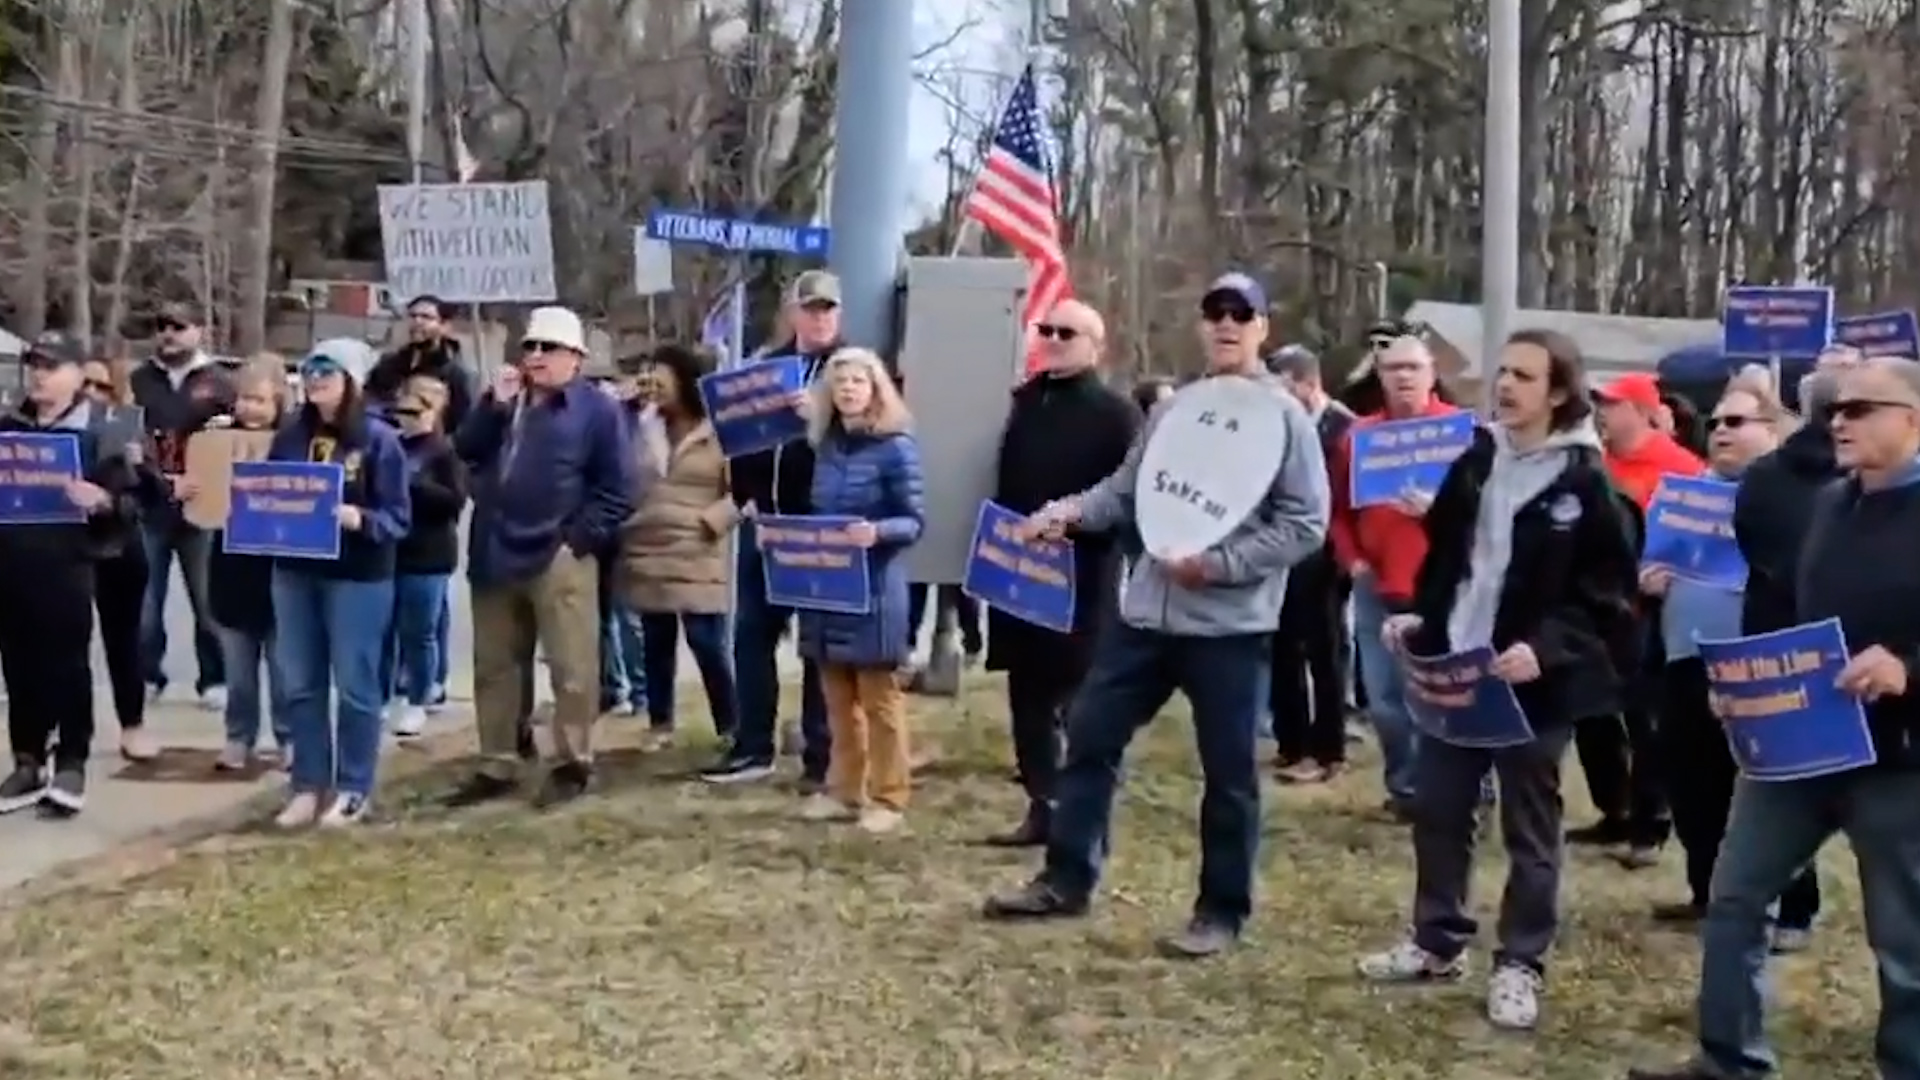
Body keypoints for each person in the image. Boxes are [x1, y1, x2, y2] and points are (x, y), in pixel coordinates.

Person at [980, 271, 1330, 958]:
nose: (1226, 324)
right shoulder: (1175, 410)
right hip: (1143, 617)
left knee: (1229, 776)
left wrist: (1220, 565)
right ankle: (1065, 878)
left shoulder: (1284, 418)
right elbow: (1125, 490)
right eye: (1214, 312)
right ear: (1201, 325)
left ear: (1263, 328)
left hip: (1228, 629)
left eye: (1242, 314)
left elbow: (1305, 523)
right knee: (1088, 740)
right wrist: (1069, 514)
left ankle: (1221, 912)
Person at [1628, 356, 1920, 1080]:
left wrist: (1908, 668)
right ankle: (1729, 1058)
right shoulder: (1829, 502)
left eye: (1860, 410)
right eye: (1835, 410)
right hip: (1803, 741)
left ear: (1913, 421)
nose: (1838, 422)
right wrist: (1748, 681)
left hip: (1900, 756)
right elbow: (1783, 605)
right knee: (1735, 896)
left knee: (1904, 935)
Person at [1356, 328, 1638, 1031]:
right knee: (1440, 811)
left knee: (1530, 828)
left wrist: (1546, 648)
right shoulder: (1477, 457)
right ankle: (1436, 940)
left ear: (1560, 393)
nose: (1506, 386)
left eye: (1525, 377)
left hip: (1533, 688)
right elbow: (1452, 553)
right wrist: (1423, 617)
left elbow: (1607, 597)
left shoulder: (1585, 482)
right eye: (1503, 372)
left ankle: (1520, 963)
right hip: (1460, 673)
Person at [1642, 369, 1819, 945]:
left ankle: (1792, 909)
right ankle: (1708, 894)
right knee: (1691, 782)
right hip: (1686, 655)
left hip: (1758, 660)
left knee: (1771, 787)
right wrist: (1650, 576)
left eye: (1736, 421)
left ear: (1774, 430)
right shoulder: (1685, 494)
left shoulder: (1790, 500)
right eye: (1715, 422)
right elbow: (1650, 561)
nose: (1720, 431)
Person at [444, 306, 633, 809]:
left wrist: (579, 539)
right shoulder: (507, 400)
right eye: (529, 347)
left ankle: (574, 760)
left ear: (576, 357)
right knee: (495, 664)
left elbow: (616, 489)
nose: (535, 357)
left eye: (547, 348)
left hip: (558, 551)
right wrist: (493, 407)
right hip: (493, 546)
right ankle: (499, 759)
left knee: (571, 665)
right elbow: (464, 449)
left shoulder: (597, 411)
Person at [982, 299, 1138, 845]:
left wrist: (1075, 527)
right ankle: (1041, 804)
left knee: (1076, 703)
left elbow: (1126, 500)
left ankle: (1083, 814)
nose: (1051, 338)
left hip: (1080, 574)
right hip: (1016, 573)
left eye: (1065, 332)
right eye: (1045, 330)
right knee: (1025, 697)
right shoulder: (1024, 404)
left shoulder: (1117, 415)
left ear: (1096, 346)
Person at [704, 269, 846, 786]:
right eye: (811, 308)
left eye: (828, 309)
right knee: (751, 635)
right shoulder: (767, 367)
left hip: (819, 528)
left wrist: (819, 421)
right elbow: (743, 440)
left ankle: (820, 752)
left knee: (818, 644)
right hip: (767, 524)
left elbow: (873, 442)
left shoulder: (855, 369)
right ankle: (753, 745)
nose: (820, 317)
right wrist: (749, 502)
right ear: (793, 314)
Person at [268, 339, 411, 828]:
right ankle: (308, 784)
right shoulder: (289, 436)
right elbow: (270, 493)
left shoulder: (378, 439)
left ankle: (354, 787)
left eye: (328, 372)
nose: (315, 381)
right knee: (300, 683)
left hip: (358, 576)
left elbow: (398, 517)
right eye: (309, 371)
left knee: (355, 684)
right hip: (296, 571)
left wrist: (359, 519)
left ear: (352, 379)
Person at [0, 332, 140, 817]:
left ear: (80, 374)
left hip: (69, 562)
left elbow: (135, 503)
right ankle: (27, 758)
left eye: (52, 366)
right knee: (19, 667)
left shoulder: (101, 432)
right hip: (12, 560)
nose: (40, 374)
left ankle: (72, 761)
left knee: (66, 664)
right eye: (35, 364)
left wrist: (102, 500)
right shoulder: (9, 425)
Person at [790, 347, 926, 833]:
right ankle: (844, 789)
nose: (848, 388)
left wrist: (878, 531)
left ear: (876, 388)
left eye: (857, 381)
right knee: (836, 701)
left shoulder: (896, 446)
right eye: (839, 381)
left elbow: (914, 521)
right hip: (829, 588)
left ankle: (890, 796)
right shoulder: (826, 446)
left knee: (879, 701)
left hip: (875, 589)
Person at [1328, 334, 1463, 817]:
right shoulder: (1358, 438)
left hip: (1444, 587)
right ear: (1379, 377)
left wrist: (1439, 512)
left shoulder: (1461, 435)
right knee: (1385, 701)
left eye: (1412, 367)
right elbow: (1338, 512)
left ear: (1431, 373)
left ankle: (1457, 792)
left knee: (1443, 697)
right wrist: (1353, 560)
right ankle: (1405, 788)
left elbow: (1484, 512)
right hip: (1375, 586)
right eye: (1392, 368)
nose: (1403, 376)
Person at [1569, 372, 1702, 859]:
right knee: (1592, 712)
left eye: (1612, 403)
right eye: (1599, 403)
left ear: (1642, 410)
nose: (1602, 411)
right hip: (1598, 610)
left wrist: (1672, 573)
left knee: (1645, 718)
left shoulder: (1681, 466)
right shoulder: (1596, 465)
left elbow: (1701, 536)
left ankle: (1651, 821)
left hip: (1651, 614)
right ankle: (1614, 810)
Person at [615, 343, 739, 751]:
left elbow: (745, 491)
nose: (653, 385)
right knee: (655, 640)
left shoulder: (719, 430)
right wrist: (625, 411)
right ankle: (660, 722)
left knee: (706, 639)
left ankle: (731, 723)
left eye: (661, 376)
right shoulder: (639, 425)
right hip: (648, 546)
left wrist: (713, 522)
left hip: (697, 548)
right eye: (648, 376)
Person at [129, 301, 233, 708]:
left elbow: (235, 442)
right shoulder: (138, 379)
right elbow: (127, 437)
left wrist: (203, 480)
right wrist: (163, 480)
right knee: (144, 602)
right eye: (160, 326)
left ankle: (214, 679)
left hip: (203, 503)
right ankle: (148, 674)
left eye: (178, 326)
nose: (168, 333)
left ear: (199, 330)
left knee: (207, 599)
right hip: (149, 502)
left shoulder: (221, 382)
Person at [1268, 343, 1358, 783]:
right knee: (1282, 647)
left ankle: (1328, 750)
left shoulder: (1343, 428)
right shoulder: (1281, 425)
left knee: (1325, 650)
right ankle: (1291, 742)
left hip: (1326, 554)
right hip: (1282, 550)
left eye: (1288, 389)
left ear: (1308, 383)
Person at [205, 359, 294, 772]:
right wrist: (189, 487)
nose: (250, 408)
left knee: (284, 671)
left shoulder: (295, 442)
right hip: (231, 566)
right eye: (244, 398)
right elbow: (200, 500)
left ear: (278, 401)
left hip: (280, 569)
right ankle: (238, 737)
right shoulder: (214, 440)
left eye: (259, 399)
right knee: (239, 670)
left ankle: (288, 737)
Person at [80, 352, 156, 761]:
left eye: (102, 386)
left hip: (118, 544)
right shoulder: (49, 429)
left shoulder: (130, 431)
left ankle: (133, 723)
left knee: (123, 640)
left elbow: (151, 496)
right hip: (64, 547)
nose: (92, 395)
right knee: (63, 643)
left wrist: (130, 479)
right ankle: (65, 728)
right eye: (85, 385)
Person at [385, 374, 467, 739]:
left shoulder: (444, 452)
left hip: (428, 554)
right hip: (389, 551)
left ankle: (420, 697)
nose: (408, 417)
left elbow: (453, 502)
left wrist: (413, 484)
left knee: (419, 632)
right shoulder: (389, 447)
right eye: (402, 411)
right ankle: (385, 695)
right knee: (384, 631)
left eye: (417, 411)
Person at [364, 294, 476, 433]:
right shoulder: (389, 364)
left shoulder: (455, 373)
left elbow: (462, 425)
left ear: (444, 326)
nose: (418, 321)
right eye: (413, 316)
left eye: (426, 317)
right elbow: (368, 402)